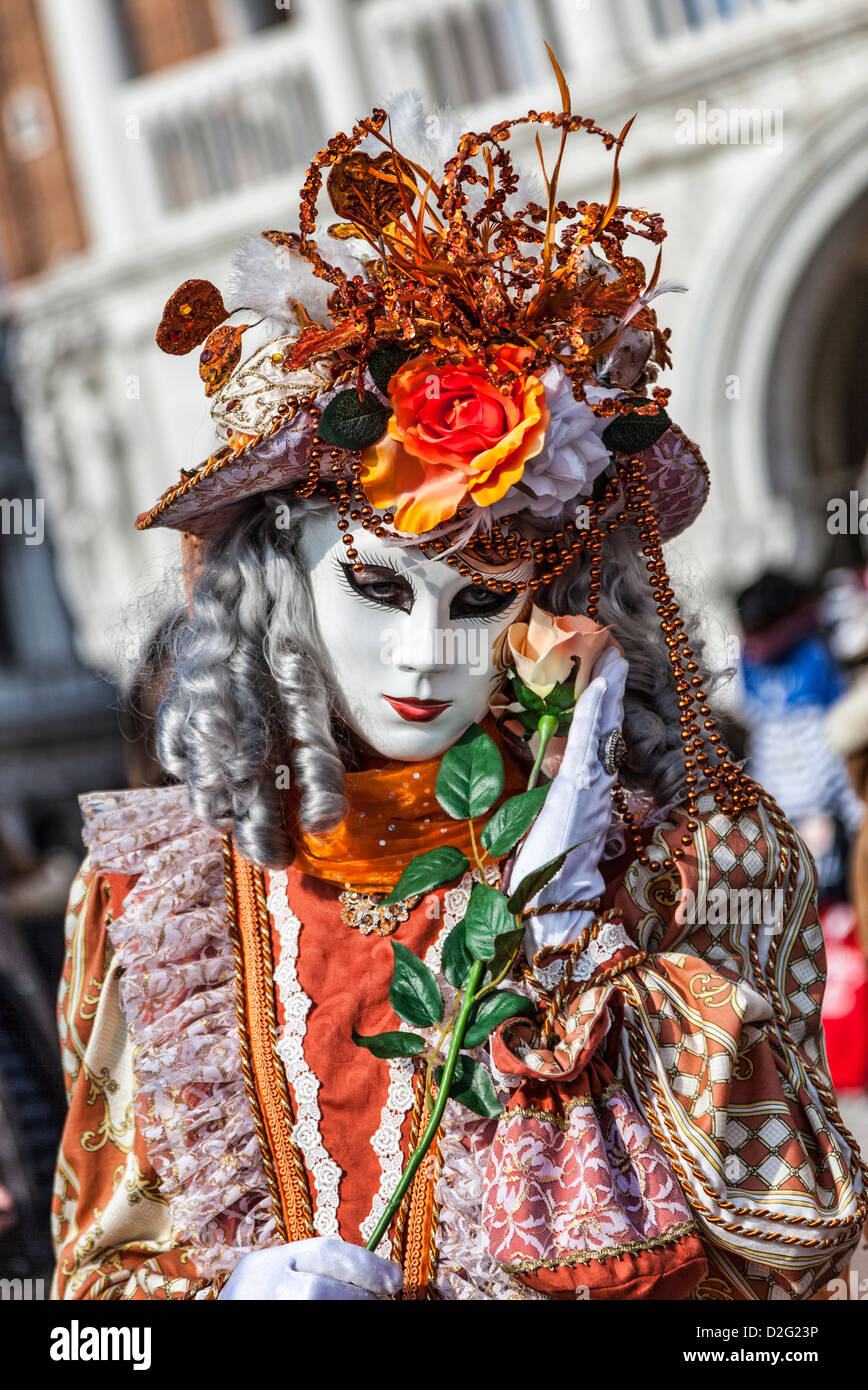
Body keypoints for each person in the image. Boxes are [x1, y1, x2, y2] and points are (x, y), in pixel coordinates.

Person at [51, 80, 865, 1301]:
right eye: (379, 590)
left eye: (483, 600)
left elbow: (784, 1287)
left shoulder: (668, 878)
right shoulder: (160, 909)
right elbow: (82, 1322)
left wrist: (591, 961)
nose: (427, 653)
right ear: (280, 590)